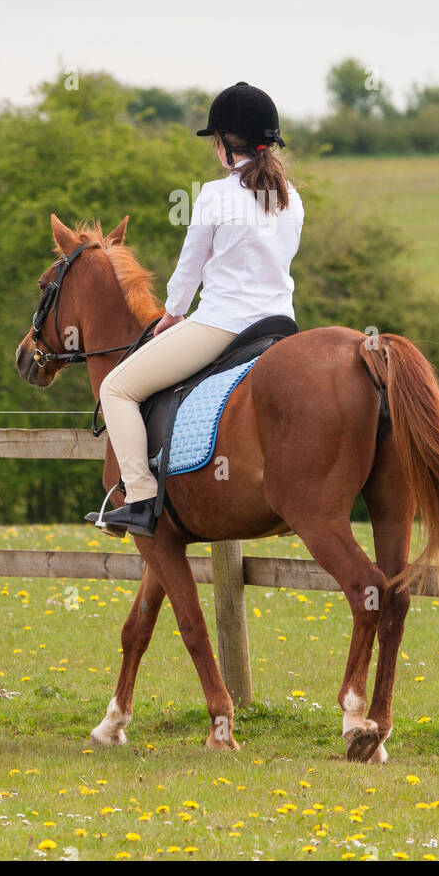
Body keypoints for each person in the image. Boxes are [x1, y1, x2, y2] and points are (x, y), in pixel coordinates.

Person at [90, 81, 304, 538]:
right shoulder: (291, 198)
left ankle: (141, 499)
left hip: (223, 325)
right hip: (282, 327)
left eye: (216, 141)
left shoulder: (214, 195)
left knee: (117, 389)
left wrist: (170, 316)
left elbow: (189, 270)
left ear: (227, 144)